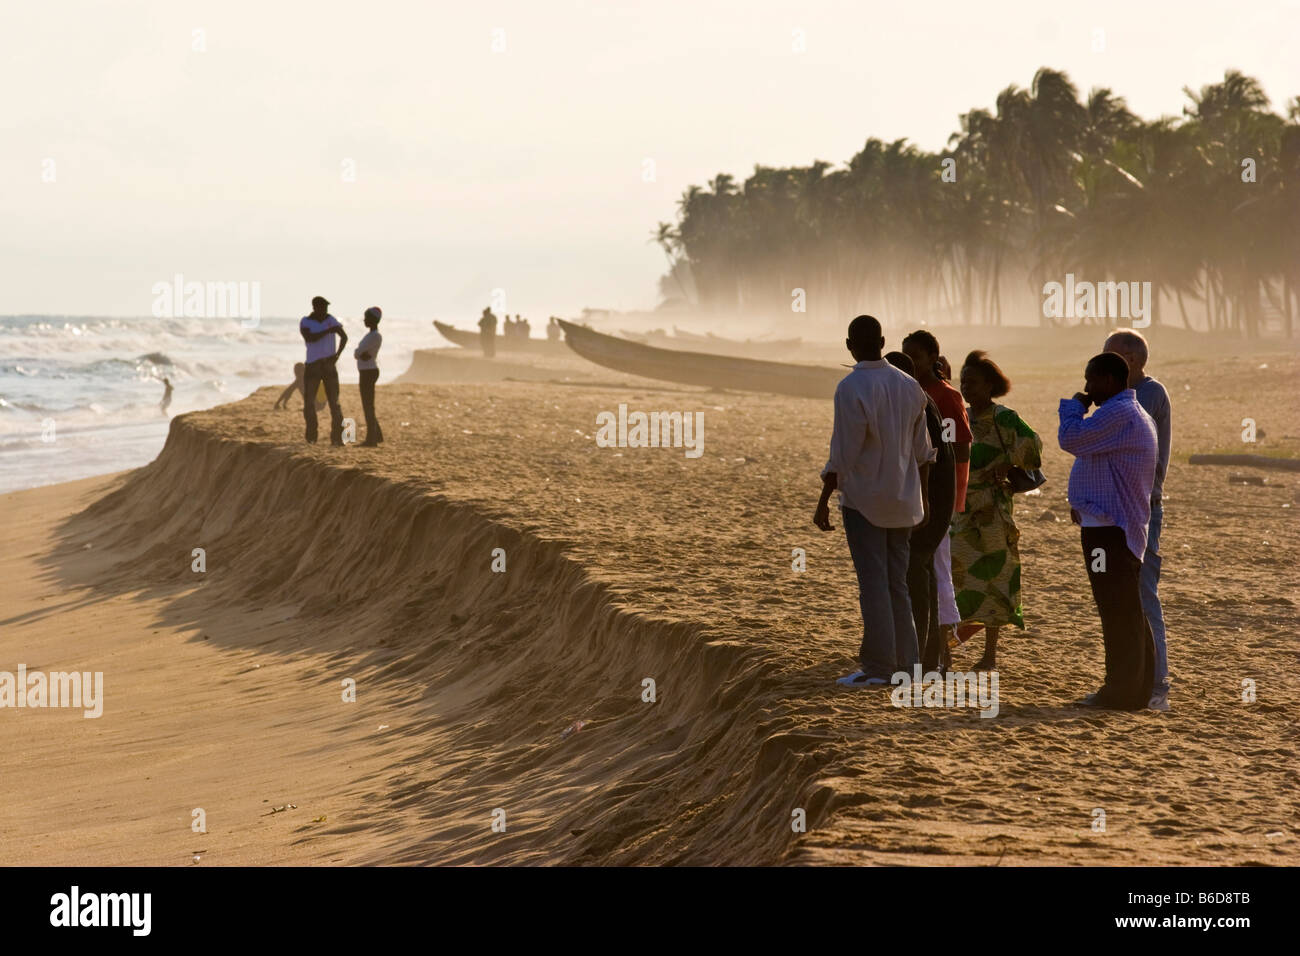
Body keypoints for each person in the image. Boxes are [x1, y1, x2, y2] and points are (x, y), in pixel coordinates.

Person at [814, 315, 935, 687]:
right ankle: (909, 666)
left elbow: (844, 453)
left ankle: (880, 668)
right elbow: (923, 452)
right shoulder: (911, 385)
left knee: (874, 584)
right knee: (897, 583)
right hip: (903, 500)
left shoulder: (850, 387)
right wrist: (924, 500)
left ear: (849, 345)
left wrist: (823, 499)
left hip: (865, 499)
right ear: (883, 342)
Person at [1059, 352, 1158, 711]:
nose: (1087, 388)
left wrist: (1073, 406)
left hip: (1109, 533)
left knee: (1116, 611)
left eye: (1092, 380)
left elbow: (1071, 439)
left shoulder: (1118, 413)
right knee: (1128, 610)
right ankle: (1136, 690)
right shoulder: (1127, 414)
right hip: (1112, 527)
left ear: (1113, 381)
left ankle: (1119, 691)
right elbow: (1100, 461)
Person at [950, 351, 1043, 670]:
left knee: (996, 582)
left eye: (972, 382)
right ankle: (946, 650)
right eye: (963, 382)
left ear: (990, 385)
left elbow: (1033, 446)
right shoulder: (959, 417)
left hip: (994, 512)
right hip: (961, 512)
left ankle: (989, 655)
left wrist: (1008, 462)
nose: (966, 387)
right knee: (958, 581)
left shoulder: (1005, 418)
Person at [1104, 329, 1172, 711]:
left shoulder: (1147, 395)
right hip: (1120, 506)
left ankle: (1157, 684)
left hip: (1142, 506)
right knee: (1124, 597)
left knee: (1144, 594)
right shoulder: (1122, 396)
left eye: (1108, 356)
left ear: (1130, 359)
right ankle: (1130, 681)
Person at [902, 331, 972, 659]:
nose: (911, 362)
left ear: (933, 357)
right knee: (923, 570)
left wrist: (954, 500)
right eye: (907, 356)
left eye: (916, 356)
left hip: (939, 498)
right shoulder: (911, 391)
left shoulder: (944, 396)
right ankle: (929, 648)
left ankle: (940, 651)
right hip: (917, 496)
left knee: (937, 571)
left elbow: (957, 450)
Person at [887, 351, 956, 673]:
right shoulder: (922, 399)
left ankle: (917, 659)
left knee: (914, 579)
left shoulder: (915, 402)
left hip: (927, 508)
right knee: (923, 579)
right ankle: (929, 659)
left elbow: (925, 460)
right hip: (934, 506)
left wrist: (922, 507)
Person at [299, 295, 347, 445]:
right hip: (313, 365)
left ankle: (337, 437)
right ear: (315, 307)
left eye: (326, 308)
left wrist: (337, 355)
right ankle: (312, 435)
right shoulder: (306, 321)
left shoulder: (330, 319)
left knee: (334, 401)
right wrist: (328, 331)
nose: (325, 310)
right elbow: (310, 338)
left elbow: (344, 337)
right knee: (309, 402)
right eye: (323, 307)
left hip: (328, 364)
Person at [354, 307, 384, 447]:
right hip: (366, 370)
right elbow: (360, 353)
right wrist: (359, 353)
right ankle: (377, 435)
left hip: (368, 371)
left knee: (368, 405)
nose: (364, 320)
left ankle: (371, 439)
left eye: (366, 318)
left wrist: (359, 353)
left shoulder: (374, 336)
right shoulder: (371, 335)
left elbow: (358, 352)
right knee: (368, 405)